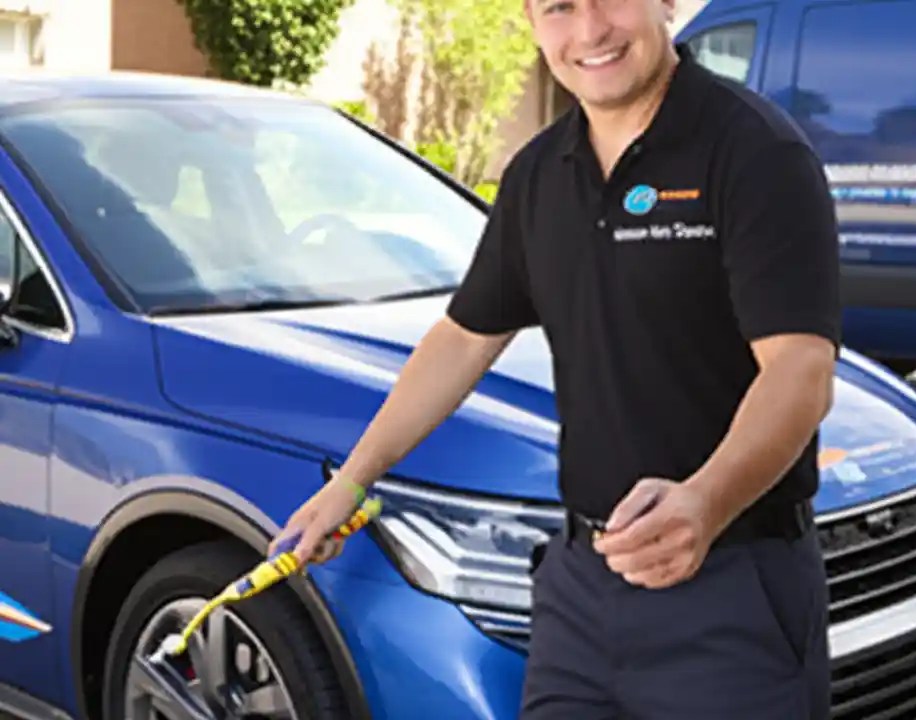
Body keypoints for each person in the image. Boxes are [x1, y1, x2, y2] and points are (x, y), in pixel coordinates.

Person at [269, 0, 841, 716]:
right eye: (560, 7)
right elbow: (464, 337)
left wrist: (707, 499)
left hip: (730, 588)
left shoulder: (754, 152)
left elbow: (800, 369)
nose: (591, 30)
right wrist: (350, 481)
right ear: (533, 22)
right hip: (580, 590)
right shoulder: (539, 174)